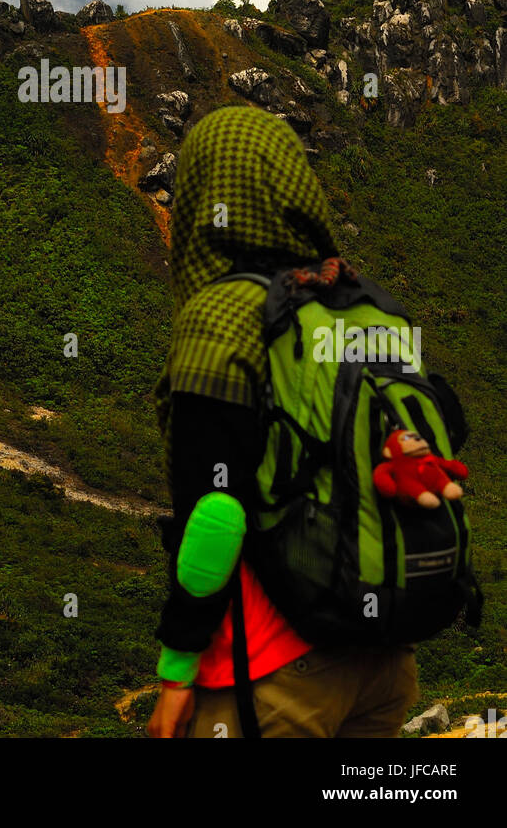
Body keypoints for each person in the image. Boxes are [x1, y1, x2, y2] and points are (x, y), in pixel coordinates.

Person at [147, 105, 419, 739]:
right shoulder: (363, 308)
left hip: (273, 669)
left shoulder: (223, 316)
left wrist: (175, 672)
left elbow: (216, 513)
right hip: (384, 657)